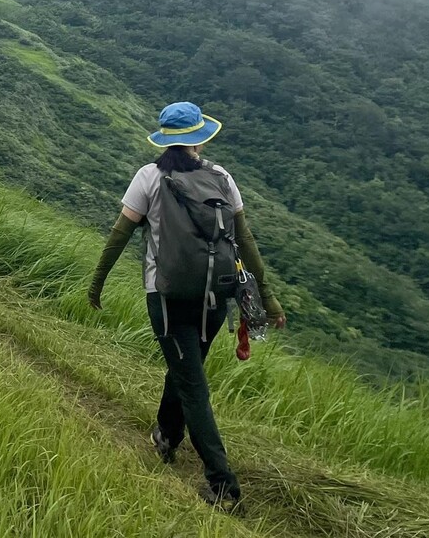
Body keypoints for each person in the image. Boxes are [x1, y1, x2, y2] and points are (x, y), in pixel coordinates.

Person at [88, 101, 286, 512]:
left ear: (163, 138)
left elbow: (119, 234)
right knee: (186, 366)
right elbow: (245, 240)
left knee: (191, 382)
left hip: (166, 297)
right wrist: (267, 296)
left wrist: (96, 283)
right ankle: (166, 435)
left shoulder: (148, 177)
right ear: (200, 137)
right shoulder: (222, 177)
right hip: (216, 297)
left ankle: (222, 484)